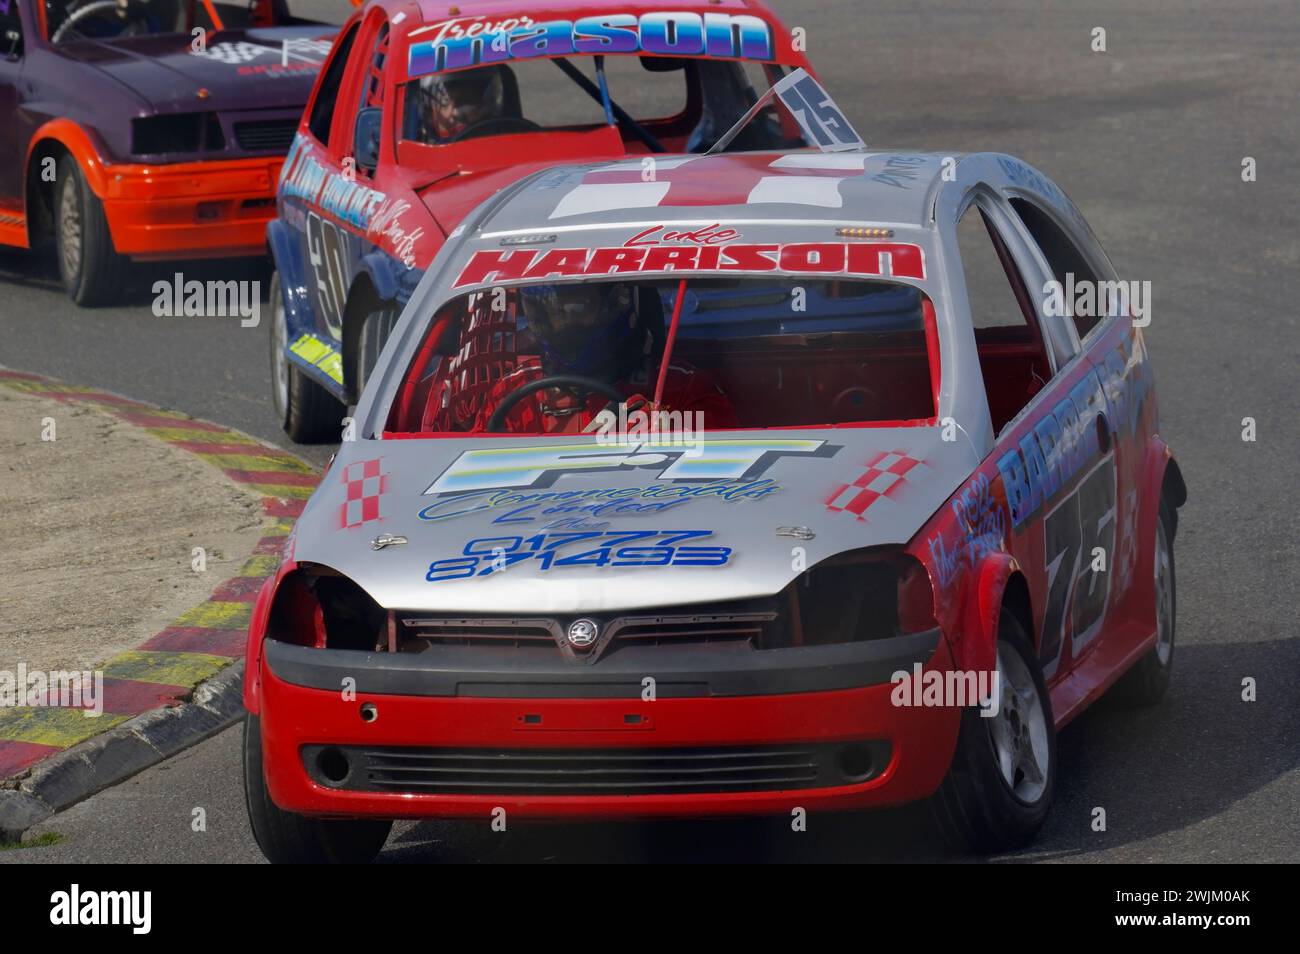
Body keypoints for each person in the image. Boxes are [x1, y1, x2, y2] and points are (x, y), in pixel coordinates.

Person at [473, 282, 738, 435]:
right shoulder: (512, 394)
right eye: (542, 313)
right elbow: (470, 477)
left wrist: (666, 440)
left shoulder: (682, 391)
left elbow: (726, 475)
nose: (561, 325)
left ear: (618, 303)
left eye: (575, 309)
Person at [416, 66, 508, 141]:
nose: (455, 113)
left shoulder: (507, 148)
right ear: (430, 114)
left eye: (465, 101)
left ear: (485, 107)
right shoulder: (414, 161)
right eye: (444, 103)